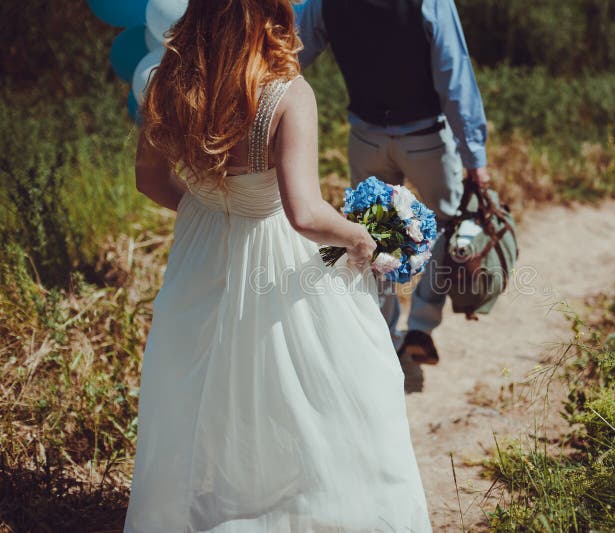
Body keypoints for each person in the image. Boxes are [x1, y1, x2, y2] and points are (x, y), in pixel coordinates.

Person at [123, 1, 432, 530]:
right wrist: (361, 239)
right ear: (270, 13)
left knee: (204, 384)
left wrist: (209, 210)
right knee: (309, 384)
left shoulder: (165, 83)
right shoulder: (287, 94)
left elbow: (149, 180)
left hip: (201, 252)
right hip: (275, 256)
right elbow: (305, 213)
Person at [295, 0, 491, 367]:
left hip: (367, 136)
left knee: (371, 233)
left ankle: (383, 330)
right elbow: (454, 75)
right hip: (426, 138)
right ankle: (420, 327)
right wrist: (474, 158)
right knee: (444, 227)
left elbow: (290, 50)